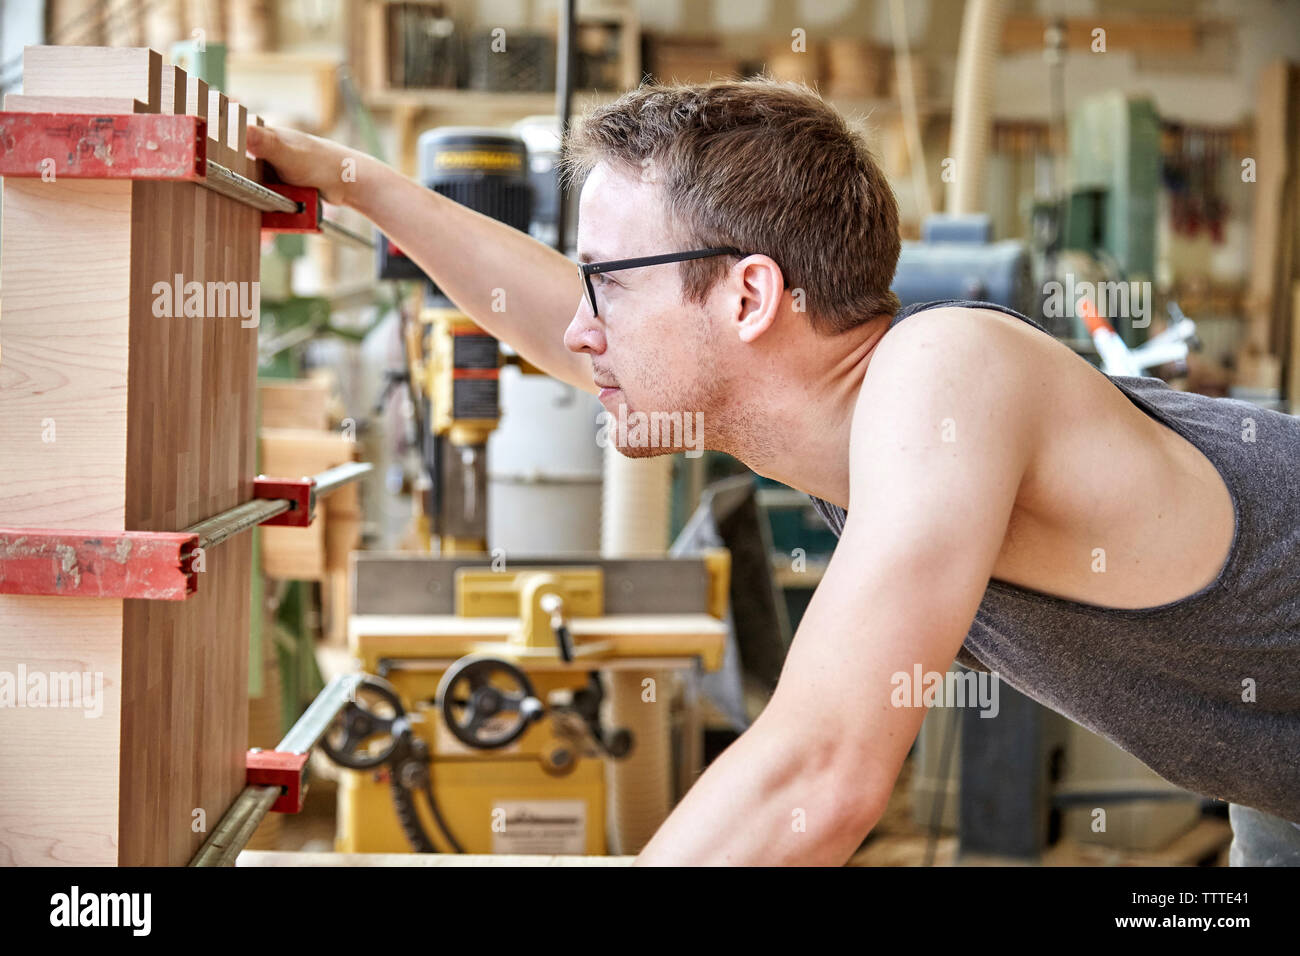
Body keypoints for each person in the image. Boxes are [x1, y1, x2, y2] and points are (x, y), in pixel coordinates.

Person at [246, 78, 1300, 866]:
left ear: (749, 298)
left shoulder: (946, 372)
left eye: (607, 280)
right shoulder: (849, 413)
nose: (580, 326)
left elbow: (819, 771)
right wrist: (357, 181)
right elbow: (573, 328)